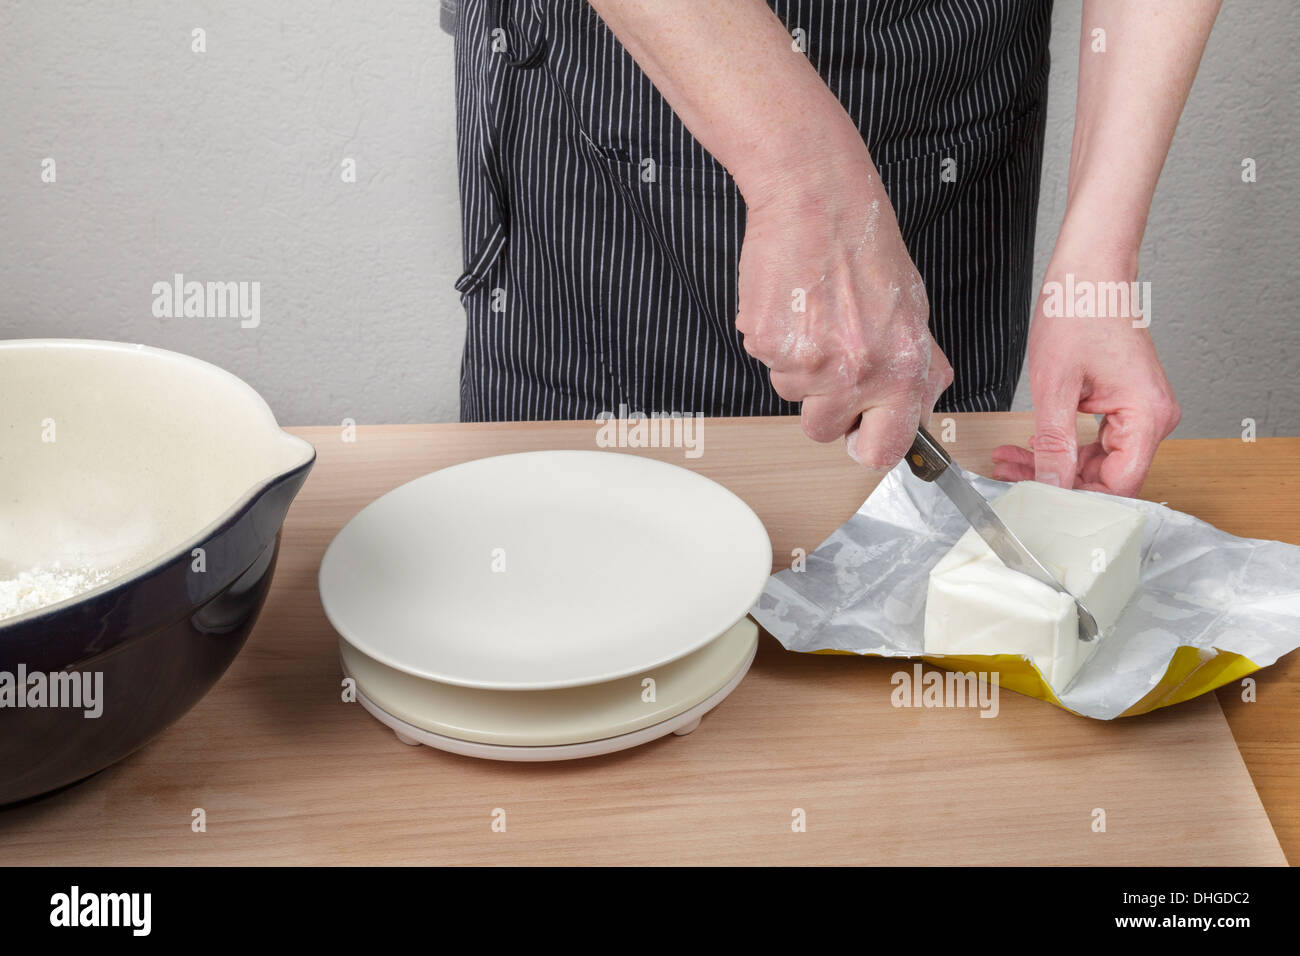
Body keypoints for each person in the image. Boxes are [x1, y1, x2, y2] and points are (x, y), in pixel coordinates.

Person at [449, 0, 1219, 497]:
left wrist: (1100, 250)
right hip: (627, 83)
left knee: (909, 597)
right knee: (574, 580)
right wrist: (802, 179)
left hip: (949, 90)